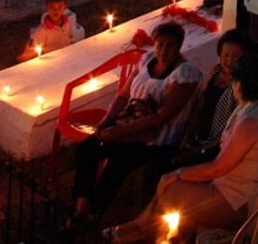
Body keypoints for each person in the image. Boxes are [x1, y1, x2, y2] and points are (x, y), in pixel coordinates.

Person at [106, 52, 258, 243]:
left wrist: (177, 174)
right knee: (169, 185)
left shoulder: (251, 122)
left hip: (240, 204)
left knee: (170, 190)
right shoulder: (256, 108)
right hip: (232, 190)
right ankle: (144, 229)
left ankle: (141, 230)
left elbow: (218, 168)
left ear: (239, 84)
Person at [69, 22, 201, 228]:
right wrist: (106, 122)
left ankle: (95, 212)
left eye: (170, 46)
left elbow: (162, 117)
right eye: (160, 45)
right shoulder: (147, 60)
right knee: (87, 148)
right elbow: (123, 96)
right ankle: (80, 207)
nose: (164, 51)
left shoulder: (185, 74)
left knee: (119, 161)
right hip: (128, 124)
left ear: (179, 46)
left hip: (156, 138)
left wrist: (120, 132)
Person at [141, 29, 249, 200]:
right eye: (226, 55)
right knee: (153, 167)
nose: (229, 62)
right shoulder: (215, 72)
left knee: (165, 171)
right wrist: (187, 138)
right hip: (196, 137)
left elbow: (233, 128)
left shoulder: (242, 86)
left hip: (216, 146)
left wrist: (202, 149)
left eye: (236, 57)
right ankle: (150, 209)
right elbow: (199, 106)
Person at [18, 0, 85, 61]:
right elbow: (35, 48)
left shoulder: (68, 22)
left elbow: (73, 37)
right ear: (47, 7)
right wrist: (26, 56)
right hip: (51, 60)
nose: (56, 10)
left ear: (65, 7)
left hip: (67, 56)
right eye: (52, 7)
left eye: (59, 7)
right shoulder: (42, 30)